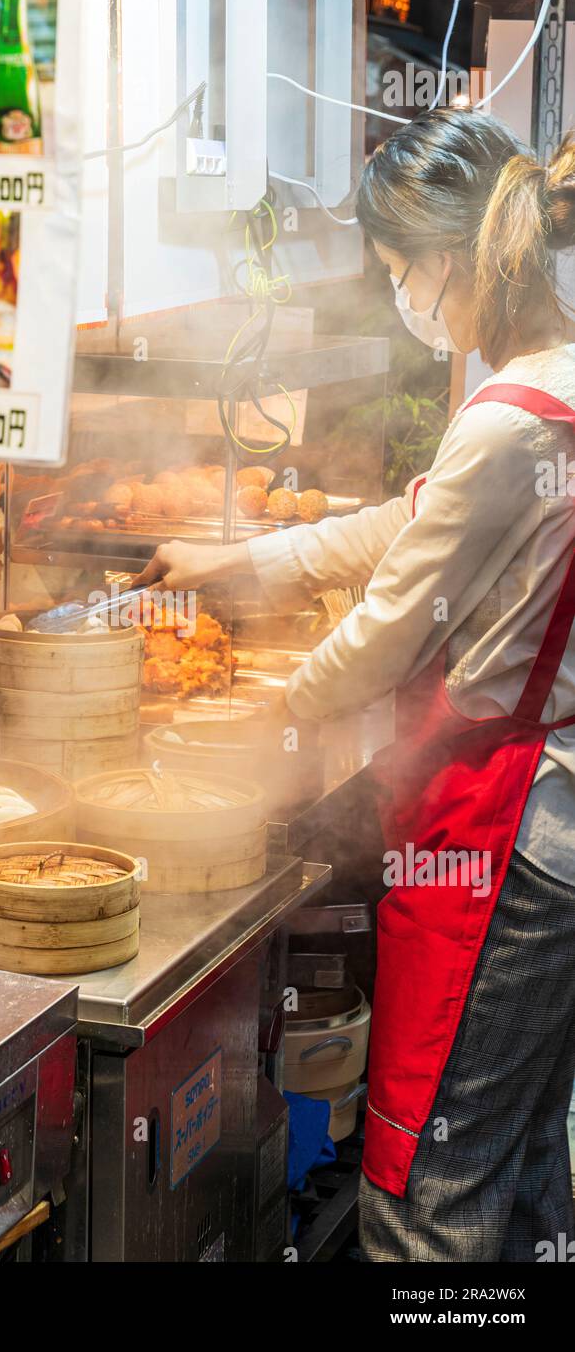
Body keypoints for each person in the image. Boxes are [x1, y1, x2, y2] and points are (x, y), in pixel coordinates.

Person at [138, 108, 575, 1262]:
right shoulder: (553, 385)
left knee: (428, 1183)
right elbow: (407, 525)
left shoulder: (506, 418)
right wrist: (239, 563)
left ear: (445, 258)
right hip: (548, 824)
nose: (399, 298)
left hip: (501, 845)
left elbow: (382, 636)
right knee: (517, 1160)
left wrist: (260, 718)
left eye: (393, 272)